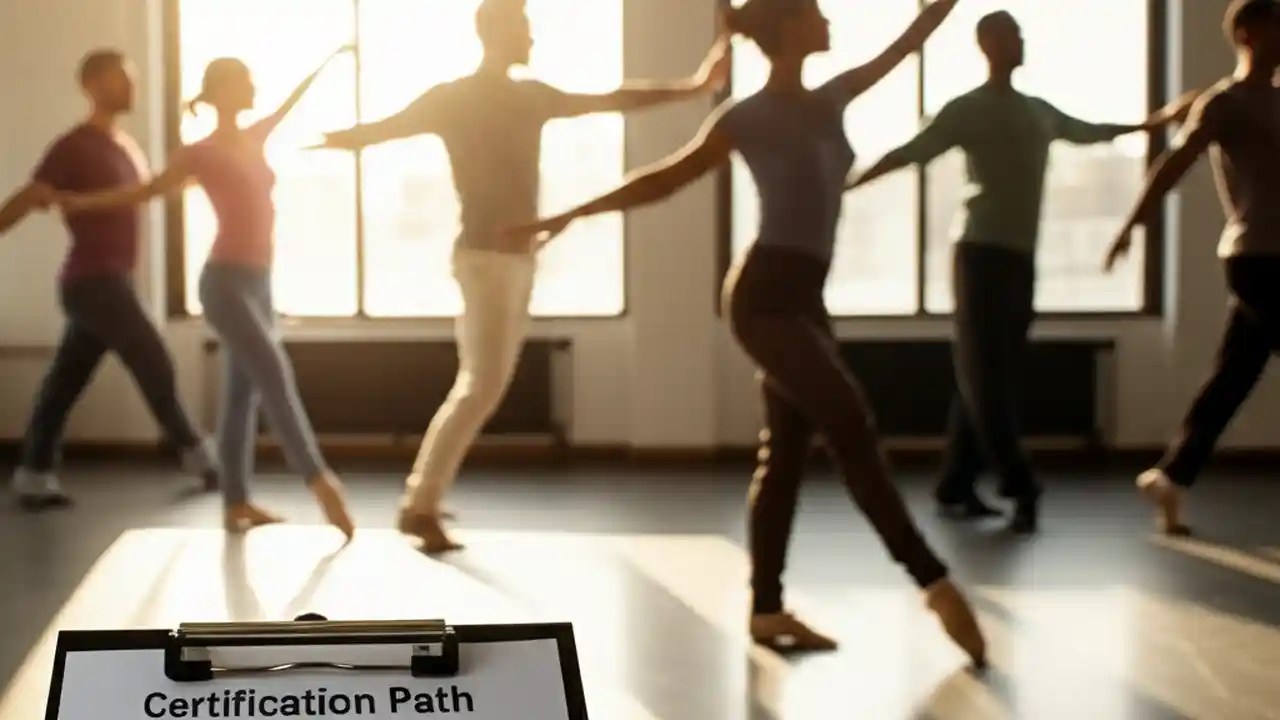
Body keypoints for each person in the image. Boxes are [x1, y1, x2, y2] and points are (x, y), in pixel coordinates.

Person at [508, 0, 986, 664]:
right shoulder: (745, 118)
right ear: (787, 28)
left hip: (806, 300)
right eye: (815, 11)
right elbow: (666, 179)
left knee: (785, 455)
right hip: (762, 300)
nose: (828, 19)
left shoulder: (834, 95)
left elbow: (910, 41)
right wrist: (570, 213)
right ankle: (932, 580)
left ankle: (766, 609)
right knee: (848, 420)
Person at [313, 0, 731, 553]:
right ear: (498, 34)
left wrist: (692, 87)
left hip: (507, 258)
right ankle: (420, 504)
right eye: (525, 29)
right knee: (481, 386)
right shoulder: (484, 97)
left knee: (480, 385)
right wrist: (693, 88)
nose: (532, 40)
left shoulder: (507, 97)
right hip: (489, 260)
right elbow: (614, 100)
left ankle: (425, 495)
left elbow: (613, 100)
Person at [847, 11, 1194, 533]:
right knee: (985, 374)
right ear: (988, 45)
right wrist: (848, 184)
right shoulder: (966, 110)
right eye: (1013, 36)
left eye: (1022, 35)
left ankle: (955, 484)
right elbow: (911, 153)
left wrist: (1157, 122)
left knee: (988, 374)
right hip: (979, 254)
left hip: (1018, 257)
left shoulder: (1037, 112)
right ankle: (1021, 483)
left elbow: (1093, 131)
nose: (1022, 42)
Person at [57, 48, 356, 538]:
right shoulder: (199, 153)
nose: (255, 87)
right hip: (223, 284)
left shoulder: (256, 135)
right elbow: (145, 192)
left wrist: (332, 57)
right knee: (274, 372)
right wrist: (82, 202)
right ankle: (320, 480)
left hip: (260, 283)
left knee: (242, 395)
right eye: (245, 79)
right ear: (222, 91)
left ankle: (235, 503)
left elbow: (291, 101)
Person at [0, 49, 218, 509]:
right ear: (93, 84)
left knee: (64, 381)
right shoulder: (74, 145)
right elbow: (31, 195)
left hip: (105, 280)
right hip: (93, 281)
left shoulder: (124, 146)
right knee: (153, 357)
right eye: (123, 79)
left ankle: (34, 474)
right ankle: (199, 457)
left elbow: (151, 190)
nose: (132, 87)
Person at [1105, 0, 1280, 536]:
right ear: (1248, 34)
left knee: (1233, 377)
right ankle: (1171, 476)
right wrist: (1132, 224)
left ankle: (1169, 477)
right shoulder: (1224, 103)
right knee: (1233, 375)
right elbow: (1172, 166)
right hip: (1258, 260)